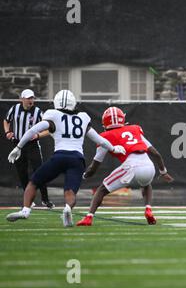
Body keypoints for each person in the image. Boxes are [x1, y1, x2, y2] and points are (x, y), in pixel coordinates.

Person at [6, 90, 126, 227]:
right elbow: (99, 139)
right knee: (70, 191)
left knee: (33, 182)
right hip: (77, 159)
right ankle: (68, 208)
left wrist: (18, 147)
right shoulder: (83, 117)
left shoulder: (53, 115)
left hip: (59, 156)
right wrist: (114, 148)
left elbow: (33, 130)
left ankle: (26, 210)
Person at [76, 107, 174, 226]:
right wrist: (163, 172)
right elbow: (156, 154)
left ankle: (89, 217)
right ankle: (148, 208)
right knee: (146, 183)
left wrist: (84, 176)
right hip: (149, 165)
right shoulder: (134, 129)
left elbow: (95, 166)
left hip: (131, 166)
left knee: (102, 189)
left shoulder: (105, 136)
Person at [3, 89, 54, 208]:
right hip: (18, 144)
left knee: (39, 171)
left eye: (32, 98)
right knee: (22, 173)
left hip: (33, 145)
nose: (31, 101)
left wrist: (38, 135)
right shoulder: (14, 109)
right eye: (28, 98)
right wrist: (8, 132)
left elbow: (50, 129)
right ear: (22, 99)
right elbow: (6, 120)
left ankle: (45, 199)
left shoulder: (38, 112)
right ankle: (29, 201)